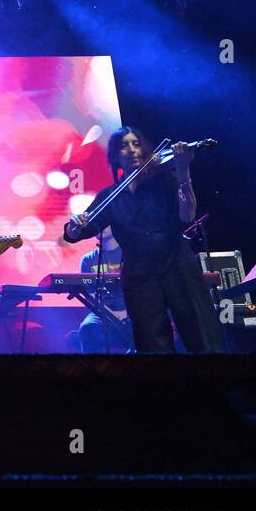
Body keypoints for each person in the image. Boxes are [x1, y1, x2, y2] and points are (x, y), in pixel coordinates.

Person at [63, 127, 222, 353]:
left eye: (136, 144)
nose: (131, 150)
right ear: (115, 156)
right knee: (151, 345)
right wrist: (74, 225)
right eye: (124, 146)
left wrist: (183, 170)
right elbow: (77, 233)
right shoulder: (110, 195)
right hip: (139, 274)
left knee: (201, 336)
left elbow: (187, 216)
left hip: (177, 263)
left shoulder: (165, 179)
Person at [75, 228, 131, 353]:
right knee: (87, 328)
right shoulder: (88, 259)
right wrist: (110, 313)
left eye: (103, 222)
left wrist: (126, 311)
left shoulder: (130, 253)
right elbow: (90, 294)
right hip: (102, 310)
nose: (99, 226)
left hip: (133, 308)